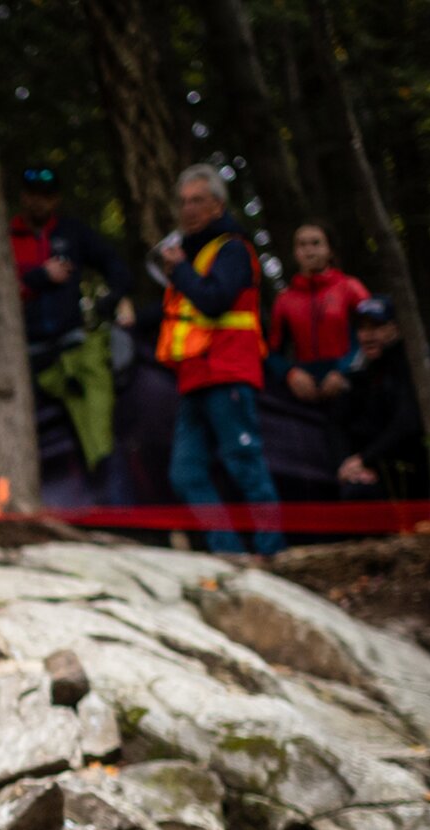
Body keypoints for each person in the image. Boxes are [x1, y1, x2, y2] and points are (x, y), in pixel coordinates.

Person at [156, 165, 285, 556]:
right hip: (195, 378)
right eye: (183, 202)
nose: (188, 209)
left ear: (218, 205)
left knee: (244, 463)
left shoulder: (232, 249)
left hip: (228, 373)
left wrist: (179, 269)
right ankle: (228, 552)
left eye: (197, 200)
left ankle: (272, 553)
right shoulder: (194, 255)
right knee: (185, 473)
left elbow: (214, 301)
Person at [11, 165, 133, 469]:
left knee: (96, 408)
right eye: (33, 194)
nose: (39, 201)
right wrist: (41, 276)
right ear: (23, 196)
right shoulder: (6, 237)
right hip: (26, 354)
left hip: (73, 342)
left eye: (46, 195)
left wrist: (114, 297)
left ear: (56, 199)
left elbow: (113, 262)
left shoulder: (71, 231)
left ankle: (104, 468)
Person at [335, 295, 430, 501]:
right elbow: (346, 422)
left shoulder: (421, 361)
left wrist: (365, 459)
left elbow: (409, 421)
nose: (367, 336)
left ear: (396, 328)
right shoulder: (366, 370)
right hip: (396, 469)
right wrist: (354, 464)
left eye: (377, 327)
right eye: (362, 328)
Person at [268, 222, 369, 405]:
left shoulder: (350, 288)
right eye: (302, 244)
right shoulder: (285, 299)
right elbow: (273, 352)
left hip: (352, 385)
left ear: (330, 250)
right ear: (294, 252)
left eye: (316, 243)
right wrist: (290, 373)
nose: (309, 250)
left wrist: (344, 371)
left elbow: (372, 336)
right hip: (305, 386)